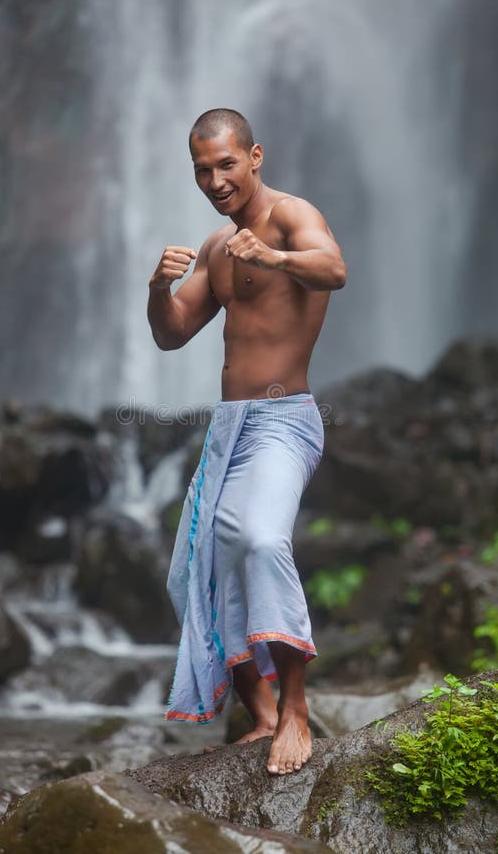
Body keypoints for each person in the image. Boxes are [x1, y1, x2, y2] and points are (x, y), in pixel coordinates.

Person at [147, 108, 346, 776]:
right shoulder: (216, 248)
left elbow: (333, 268)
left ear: (254, 156)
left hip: (284, 418)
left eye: (225, 164)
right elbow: (173, 331)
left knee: (260, 540)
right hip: (230, 428)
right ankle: (259, 714)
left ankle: (295, 712)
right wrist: (157, 290)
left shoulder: (292, 217)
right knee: (199, 571)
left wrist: (273, 255)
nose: (214, 179)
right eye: (202, 169)